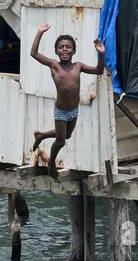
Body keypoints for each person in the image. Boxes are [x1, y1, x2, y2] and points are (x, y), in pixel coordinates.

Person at [29, 23, 105, 178]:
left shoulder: (78, 66)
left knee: (66, 136)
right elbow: (34, 53)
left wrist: (101, 54)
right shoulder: (54, 65)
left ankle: (41, 136)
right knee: (61, 141)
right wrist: (40, 32)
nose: (64, 49)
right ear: (56, 51)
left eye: (68, 47)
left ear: (74, 51)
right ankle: (51, 164)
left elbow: (99, 70)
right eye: (61, 47)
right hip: (61, 111)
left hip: (74, 110)